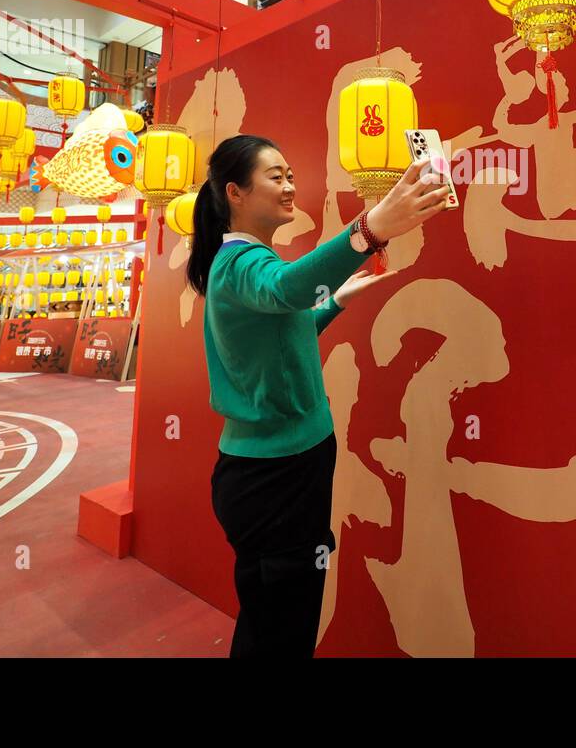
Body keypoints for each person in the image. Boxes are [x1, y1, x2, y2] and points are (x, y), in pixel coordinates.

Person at [186, 135, 450, 657]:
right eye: (275, 177)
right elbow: (287, 289)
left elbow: (287, 327)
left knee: (277, 618)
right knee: (284, 625)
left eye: (290, 175)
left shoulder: (249, 262)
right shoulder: (239, 264)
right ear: (235, 193)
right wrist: (368, 231)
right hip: (274, 481)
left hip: (287, 470)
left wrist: (337, 301)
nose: (290, 187)